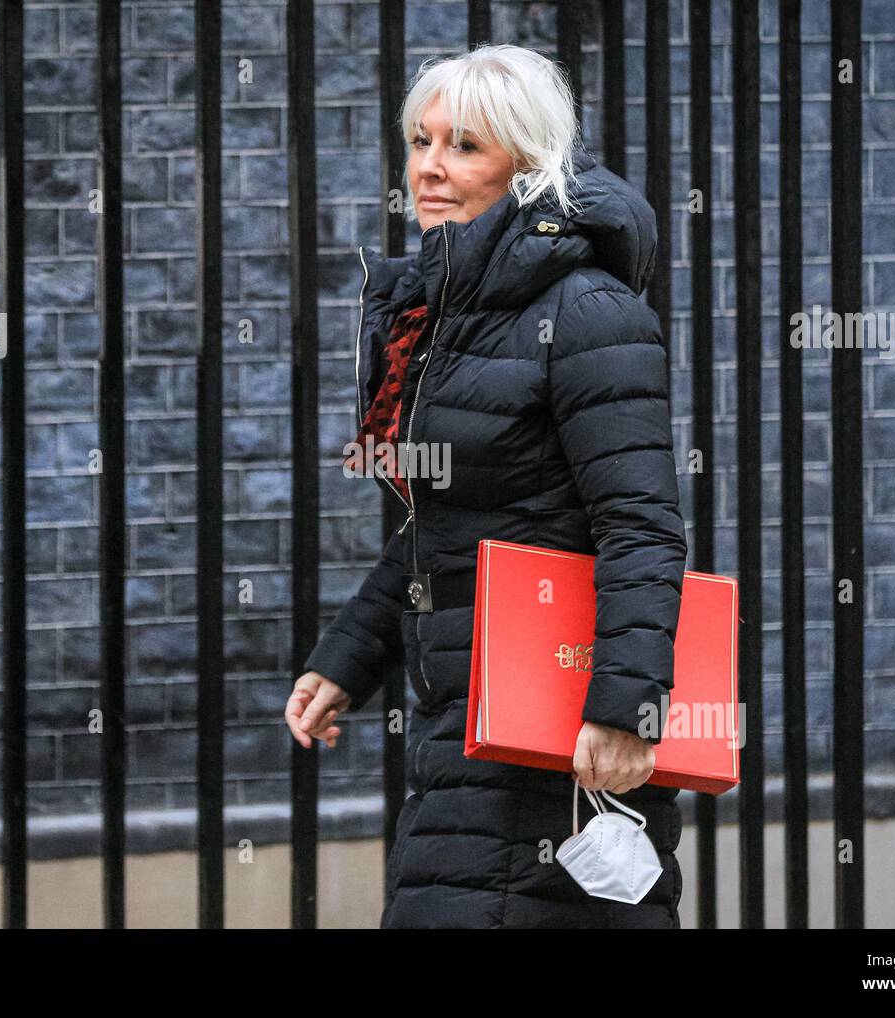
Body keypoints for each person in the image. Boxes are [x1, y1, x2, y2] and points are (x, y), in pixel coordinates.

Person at [284, 43, 688, 929]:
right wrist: (349, 657)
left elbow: (640, 524)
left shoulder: (586, 310)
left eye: (464, 145)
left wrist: (627, 711)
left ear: (527, 163)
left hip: (558, 729)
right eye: (421, 141)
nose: (430, 166)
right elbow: (455, 521)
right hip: (464, 718)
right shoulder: (445, 314)